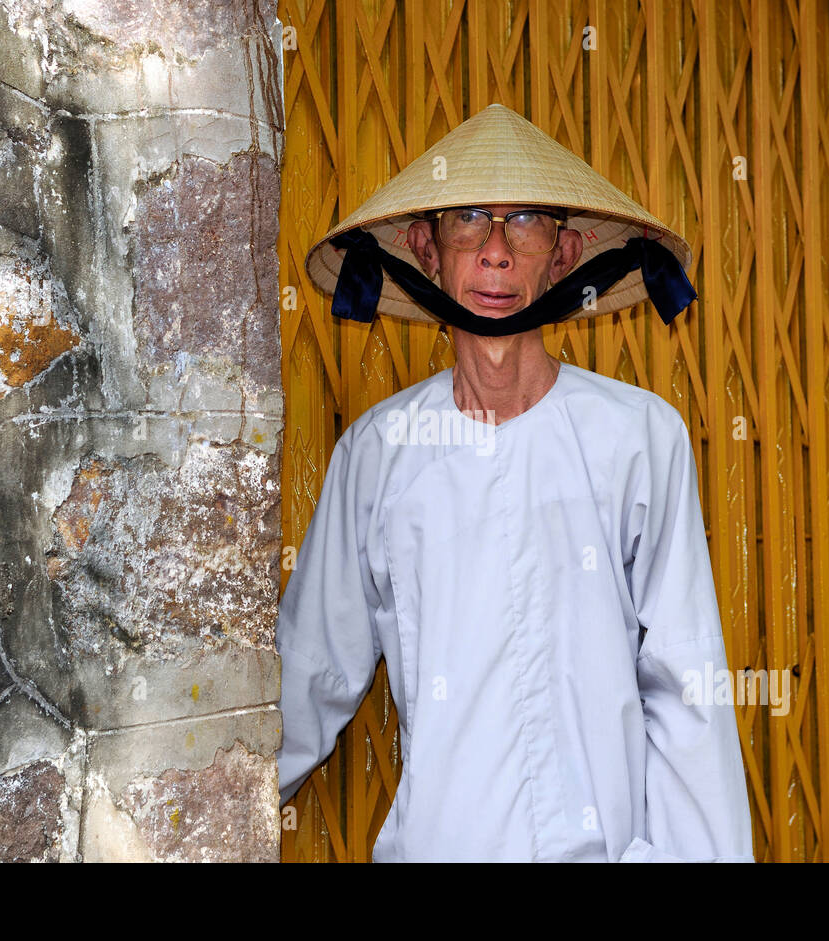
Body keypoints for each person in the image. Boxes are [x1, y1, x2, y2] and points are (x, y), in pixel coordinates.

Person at [278, 104, 754, 862]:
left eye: (525, 222)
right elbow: (310, 674)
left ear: (563, 255)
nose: (495, 254)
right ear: (427, 251)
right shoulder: (378, 454)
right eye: (468, 221)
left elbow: (685, 683)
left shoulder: (638, 438)